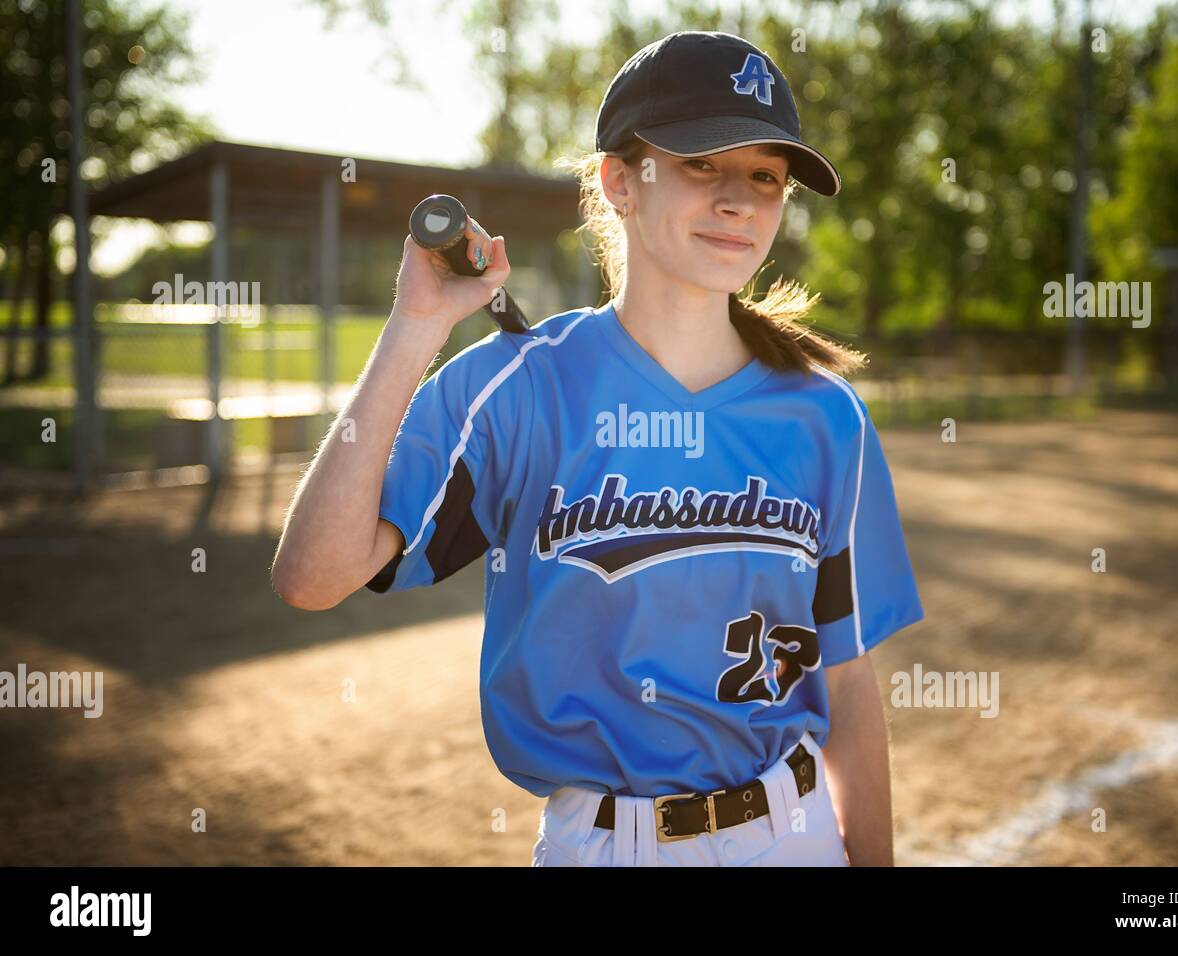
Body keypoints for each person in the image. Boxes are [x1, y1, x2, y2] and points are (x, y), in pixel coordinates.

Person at [271, 30, 924, 867]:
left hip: (793, 835)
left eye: (765, 176)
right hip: (608, 848)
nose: (739, 201)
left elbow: (846, 678)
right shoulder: (516, 390)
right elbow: (313, 576)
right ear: (620, 181)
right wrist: (418, 327)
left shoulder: (825, 415)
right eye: (700, 163)